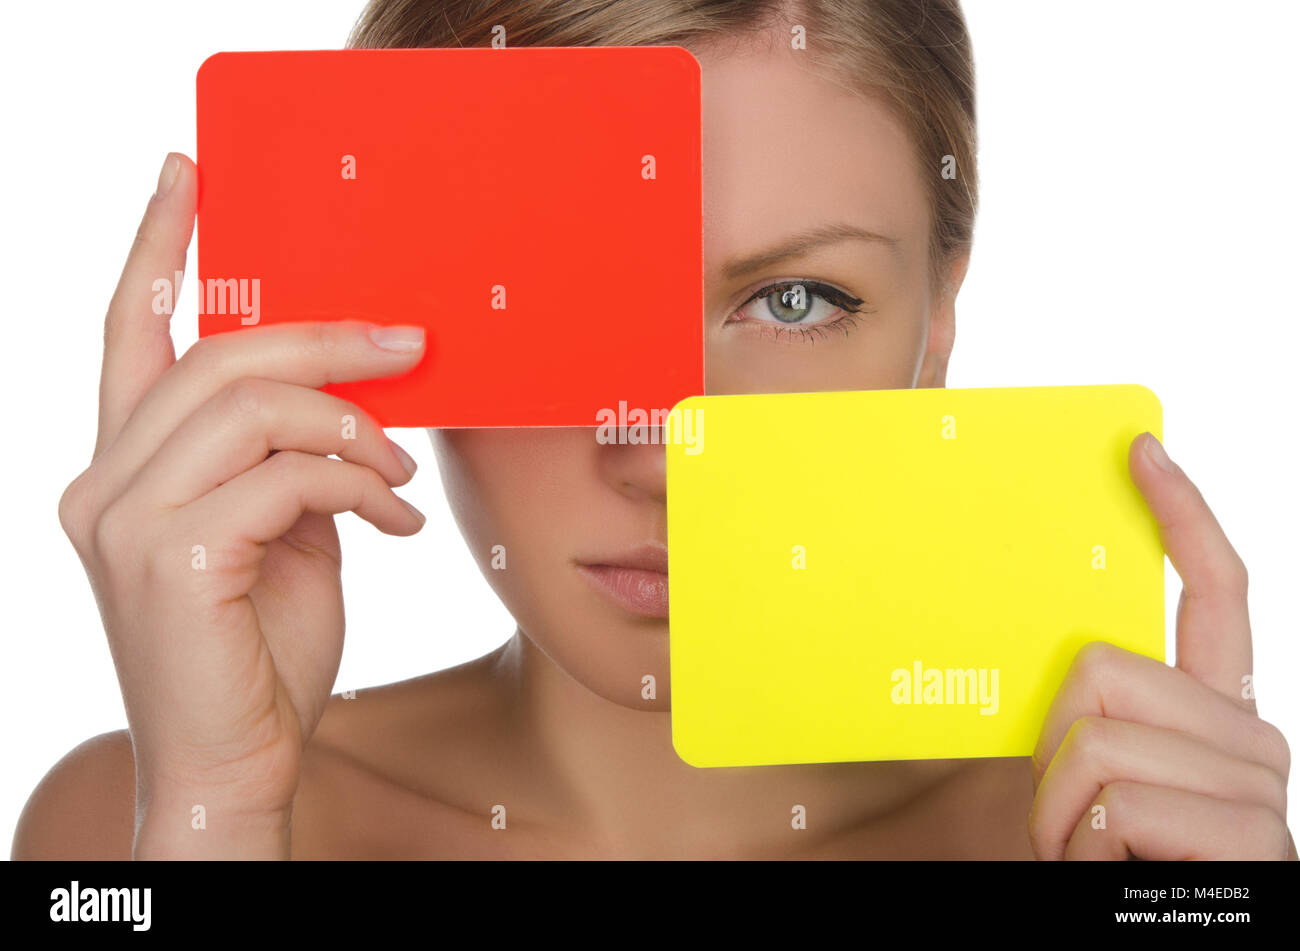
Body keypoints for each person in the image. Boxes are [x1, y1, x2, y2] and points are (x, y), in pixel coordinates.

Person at [12, 0, 1294, 859]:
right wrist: (216, 816)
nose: (660, 447)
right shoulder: (123, 829)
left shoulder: (1124, 850)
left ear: (938, 319)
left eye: (794, 301)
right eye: (539, 297)